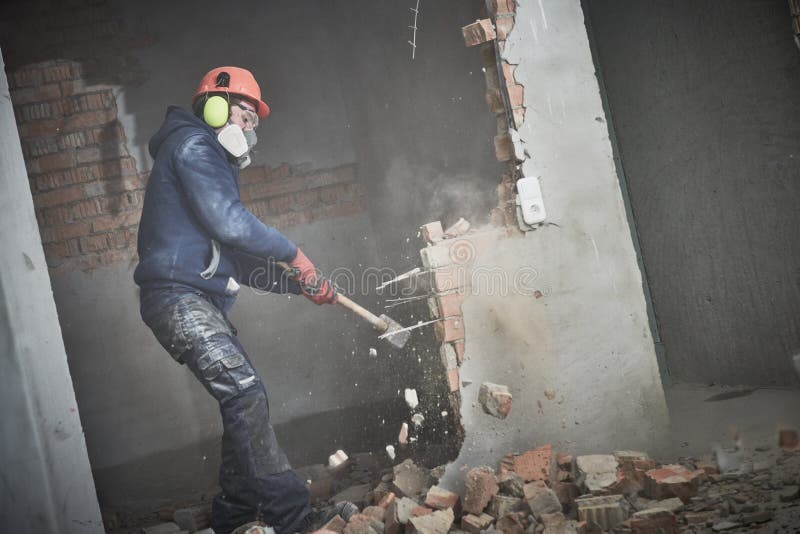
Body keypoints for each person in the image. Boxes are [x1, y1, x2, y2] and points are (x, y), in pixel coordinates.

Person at [134, 66, 351, 534]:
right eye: (245, 114)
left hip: (194, 300)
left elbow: (235, 257)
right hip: (178, 298)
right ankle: (294, 519)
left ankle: (233, 514)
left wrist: (300, 283)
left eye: (255, 121)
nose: (250, 129)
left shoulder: (205, 161)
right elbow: (232, 224)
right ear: (213, 106)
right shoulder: (194, 147)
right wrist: (297, 255)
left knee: (242, 398)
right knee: (246, 392)